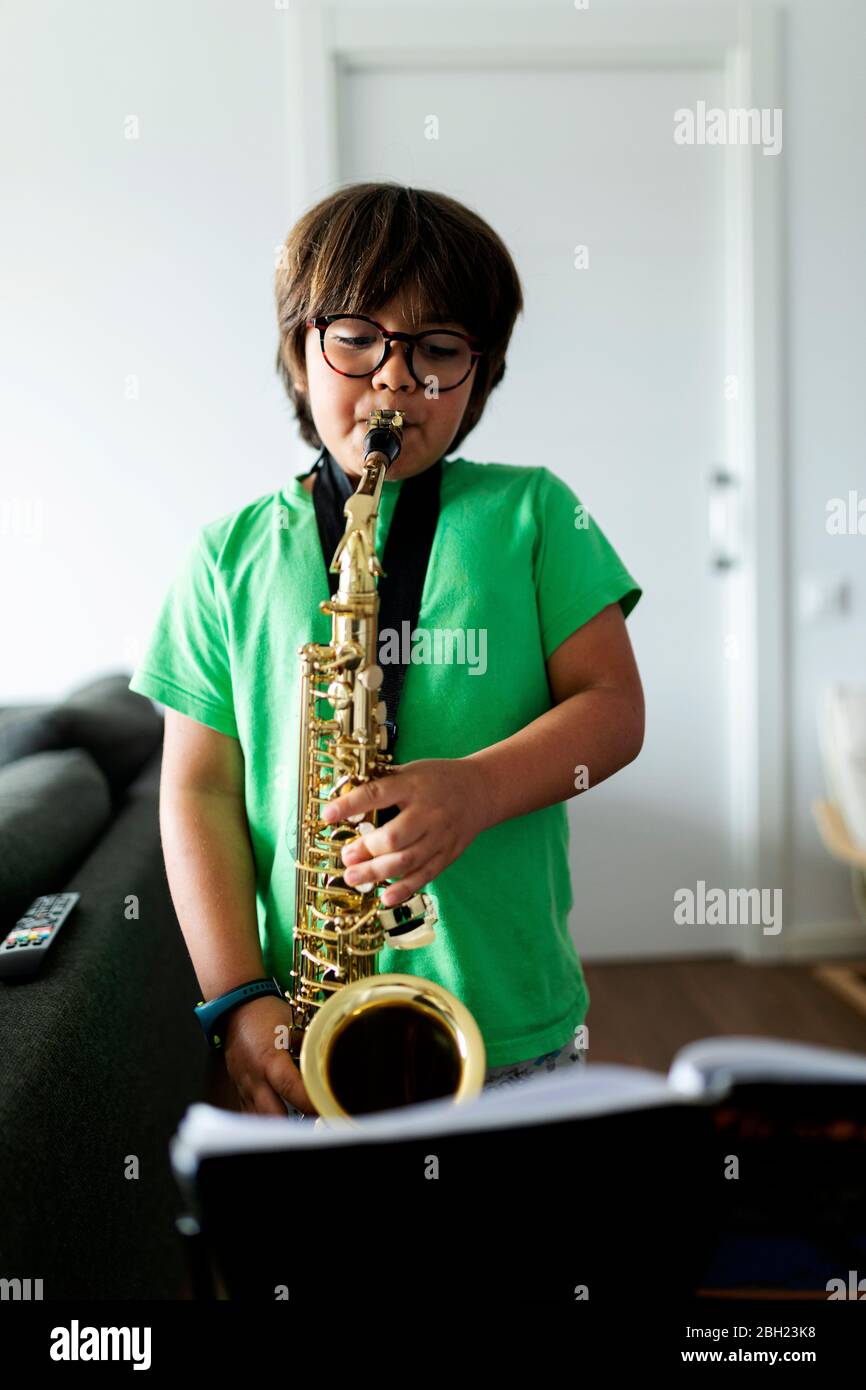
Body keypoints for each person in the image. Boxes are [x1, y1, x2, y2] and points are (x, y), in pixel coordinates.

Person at [129, 182, 644, 1118]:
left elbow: (613, 710)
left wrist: (478, 789)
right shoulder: (225, 557)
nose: (397, 380)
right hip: (310, 1022)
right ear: (299, 356)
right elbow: (195, 790)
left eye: (439, 350)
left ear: (478, 379)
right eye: (358, 339)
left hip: (509, 1020)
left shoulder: (534, 513)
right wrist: (238, 997)